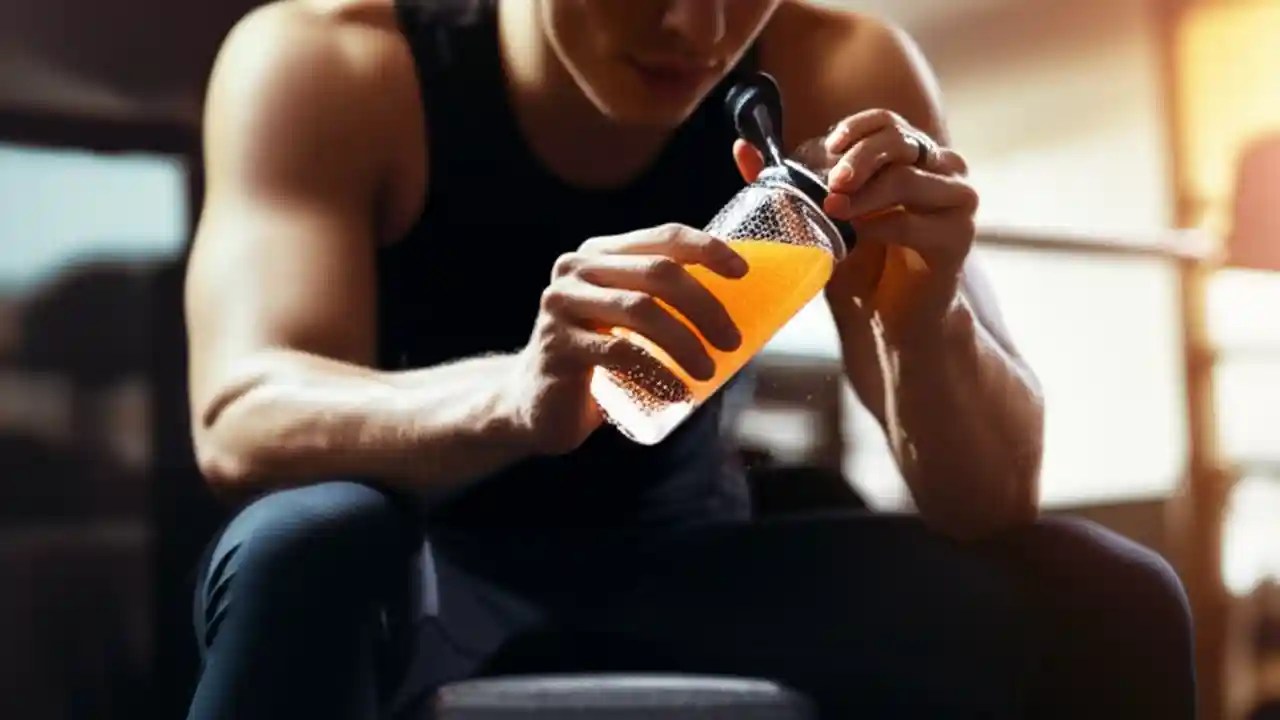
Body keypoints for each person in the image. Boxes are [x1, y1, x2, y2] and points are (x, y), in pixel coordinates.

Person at [181, 0, 1196, 717]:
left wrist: (923, 322)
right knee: (304, 544)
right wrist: (514, 395)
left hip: (693, 565)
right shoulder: (335, 63)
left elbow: (992, 497)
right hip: (426, 570)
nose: (698, 28)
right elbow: (241, 415)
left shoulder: (838, 68)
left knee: (1108, 594)